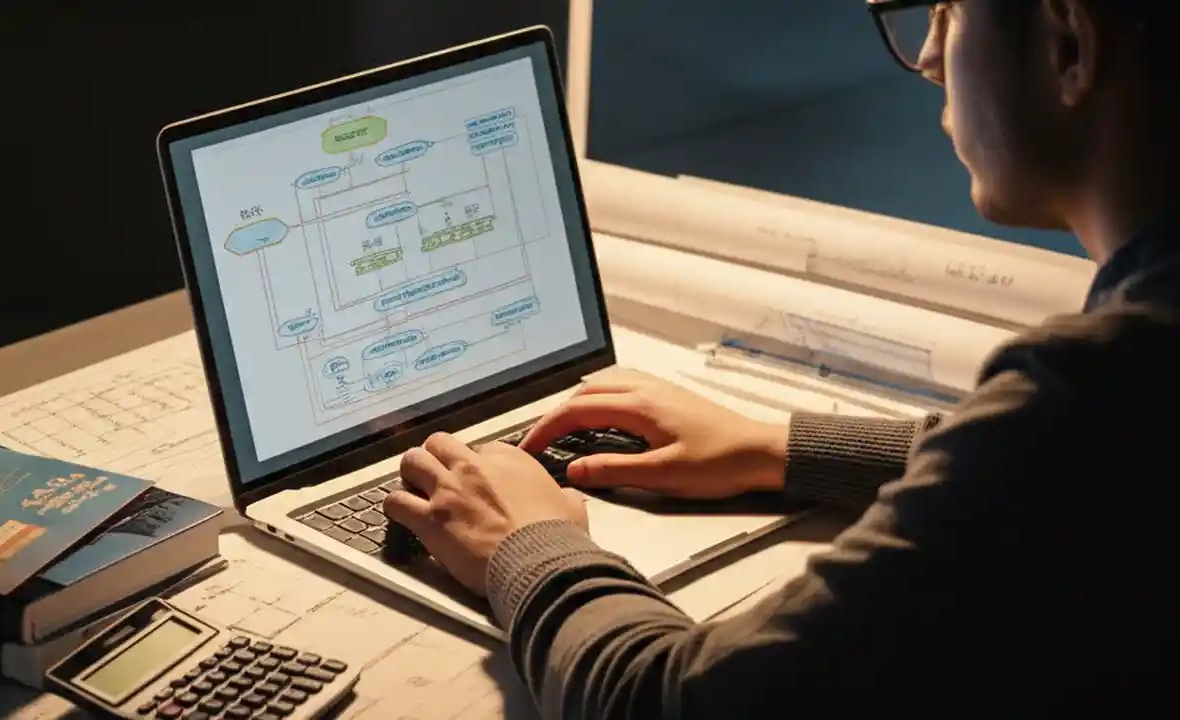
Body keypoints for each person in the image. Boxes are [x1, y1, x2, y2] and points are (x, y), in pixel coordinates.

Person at [382, 0, 1177, 715]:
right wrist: (779, 448)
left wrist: (524, 541)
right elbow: (1045, 472)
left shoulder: (1094, 394)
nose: (930, 57)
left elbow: (660, 700)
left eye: (947, 11)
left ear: (1070, 44)